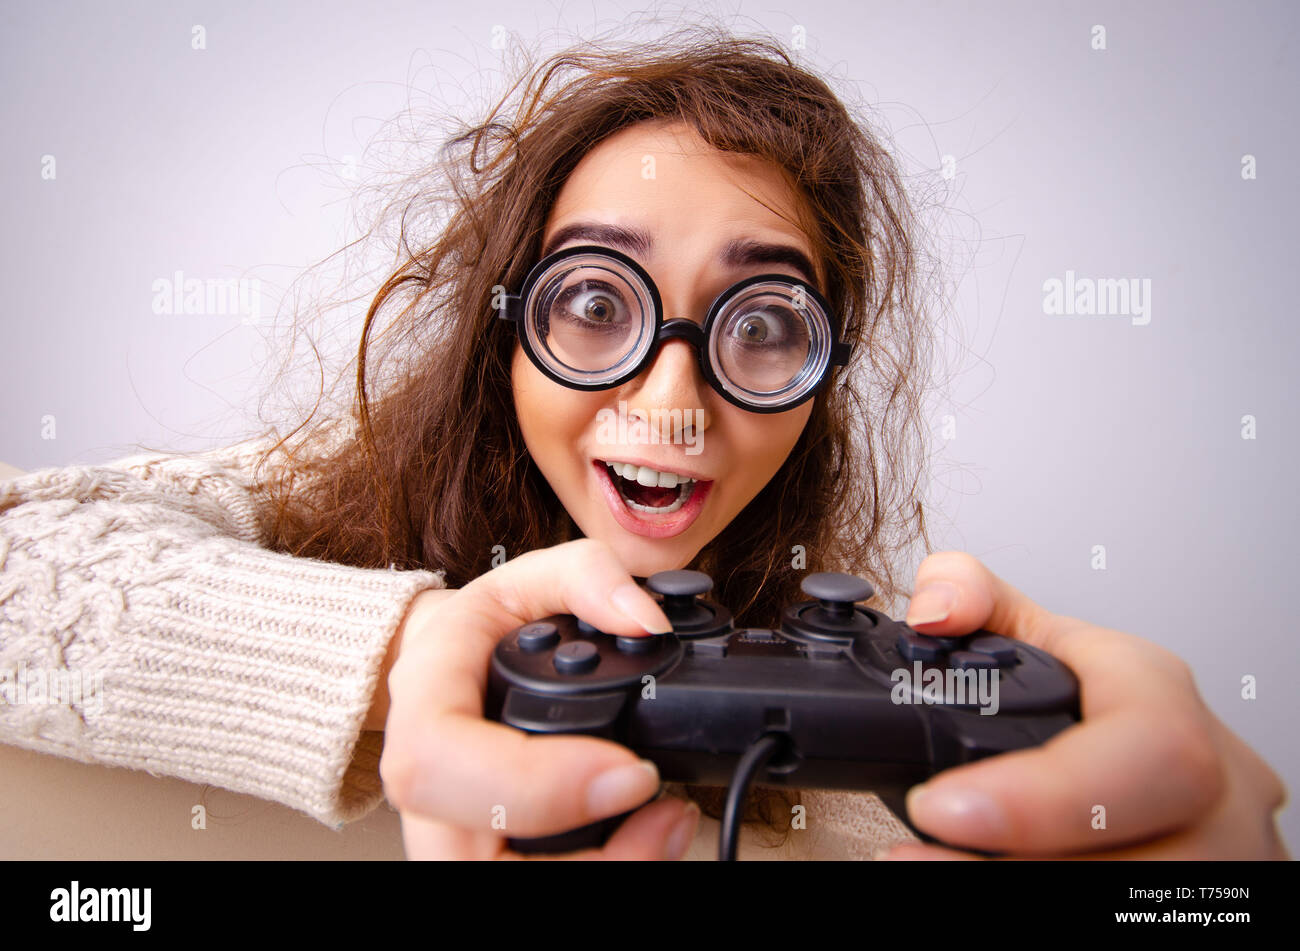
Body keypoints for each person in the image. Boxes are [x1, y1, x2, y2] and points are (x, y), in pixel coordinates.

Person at [0, 29, 1287, 861]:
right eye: (595, 303)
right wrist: (436, 668)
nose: (673, 401)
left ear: (822, 379)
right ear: (505, 330)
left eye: (763, 322)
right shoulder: (312, 497)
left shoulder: (862, 765)